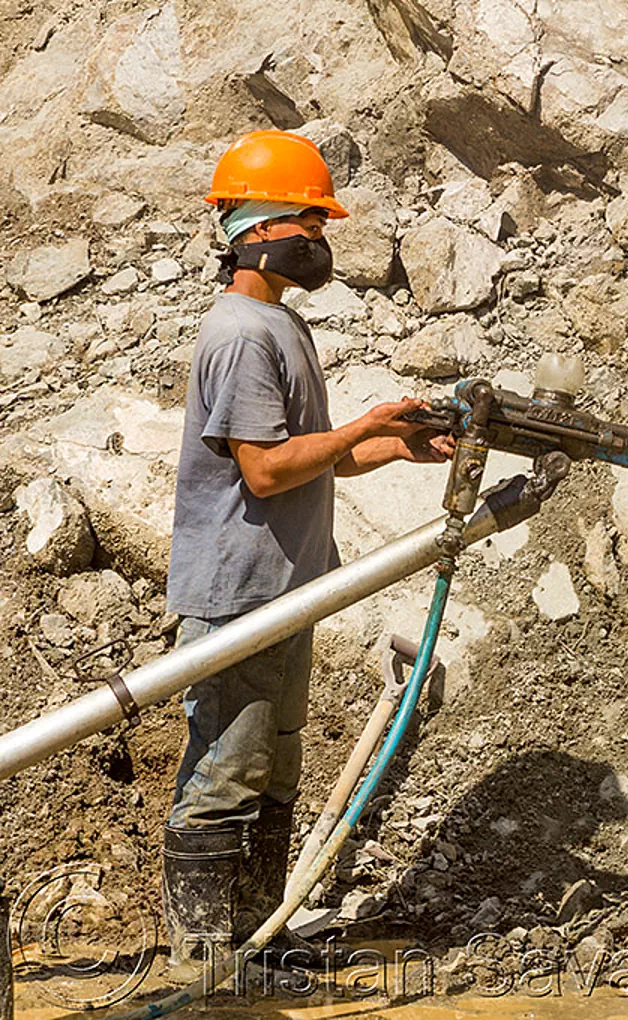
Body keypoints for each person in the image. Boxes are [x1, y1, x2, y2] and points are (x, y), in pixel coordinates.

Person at [161, 130, 453, 980]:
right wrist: (358, 427)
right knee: (226, 770)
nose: (320, 241)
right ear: (257, 229)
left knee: (272, 762)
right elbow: (264, 466)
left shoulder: (279, 324)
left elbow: (307, 453)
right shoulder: (242, 334)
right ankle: (205, 958)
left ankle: (258, 938)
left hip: (287, 589)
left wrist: (390, 445)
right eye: (310, 222)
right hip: (238, 593)